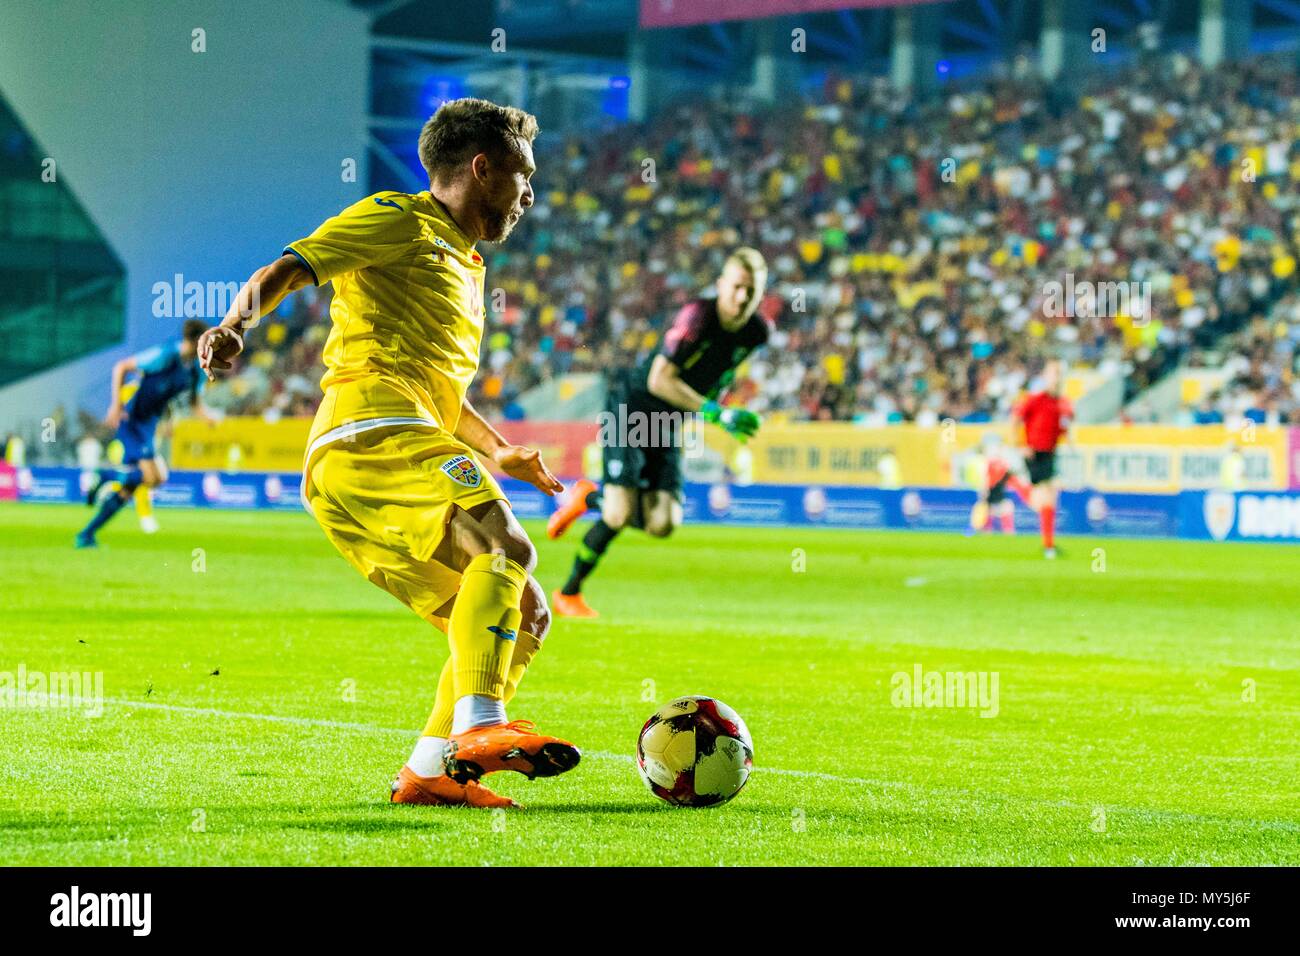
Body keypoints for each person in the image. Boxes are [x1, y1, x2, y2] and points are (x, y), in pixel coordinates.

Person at [198, 98, 577, 810]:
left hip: (390, 446)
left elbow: (441, 395)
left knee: (522, 613)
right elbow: (290, 266)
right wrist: (231, 324)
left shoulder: (466, 265)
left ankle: (431, 772)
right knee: (506, 545)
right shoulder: (398, 217)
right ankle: (481, 729)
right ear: (481, 167)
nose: (530, 194)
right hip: (368, 432)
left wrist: (502, 452)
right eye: (523, 175)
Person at [548, 249, 771, 617]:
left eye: (753, 291)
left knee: (662, 524)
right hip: (634, 408)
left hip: (670, 421)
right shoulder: (697, 316)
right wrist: (715, 412)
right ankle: (568, 592)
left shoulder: (757, 332)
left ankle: (589, 499)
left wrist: (715, 403)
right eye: (737, 288)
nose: (743, 298)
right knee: (619, 514)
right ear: (721, 286)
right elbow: (658, 379)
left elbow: (720, 370)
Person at [76, 320, 210, 547]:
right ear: (197, 340)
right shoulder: (166, 355)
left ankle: (86, 535)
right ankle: (105, 477)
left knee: (134, 487)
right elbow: (122, 367)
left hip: (149, 424)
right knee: (152, 477)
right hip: (133, 422)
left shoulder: (195, 371)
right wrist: (116, 406)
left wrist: (208, 418)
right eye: (207, 341)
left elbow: (191, 402)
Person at [1011, 360, 1072, 558]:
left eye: (1059, 372)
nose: (1058, 376)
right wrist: (1020, 445)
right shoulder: (1035, 398)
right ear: (1045, 376)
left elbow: (1062, 426)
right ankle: (1048, 546)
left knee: (1049, 497)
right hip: (1035, 451)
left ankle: (1049, 545)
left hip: (1050, 452)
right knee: (1046, 495)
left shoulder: (1061, 403)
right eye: (1054, 372)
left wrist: (1067, 436)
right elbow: (1015, 419)